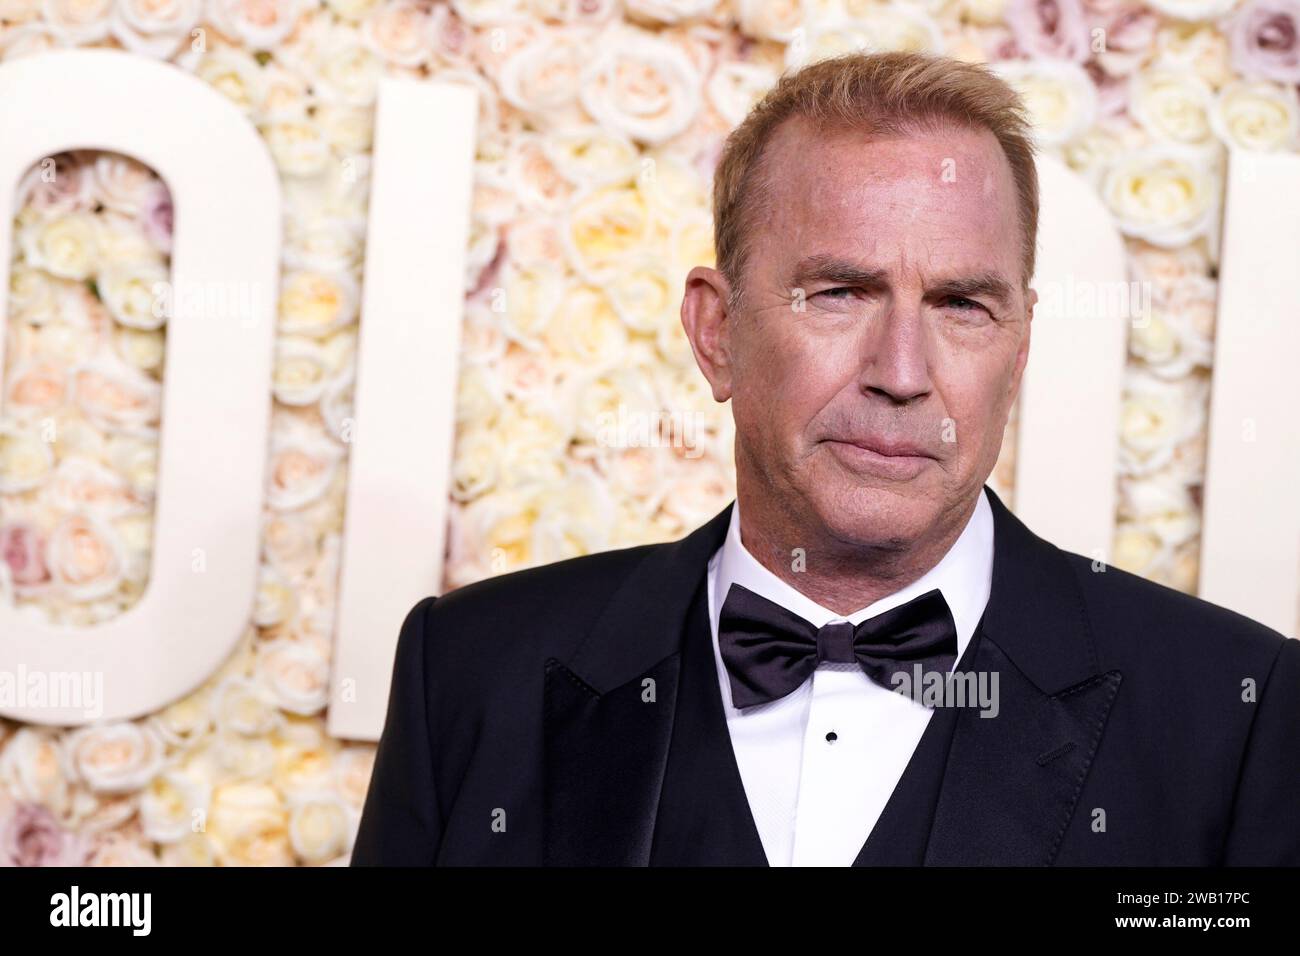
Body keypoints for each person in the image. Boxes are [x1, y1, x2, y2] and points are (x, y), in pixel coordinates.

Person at [351, 50, 1300, 866]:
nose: (902, 374)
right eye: (840, 292)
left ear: (1018, 346)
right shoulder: (471, 676)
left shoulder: (1235, 715)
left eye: (962, 305)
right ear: (716, 332)